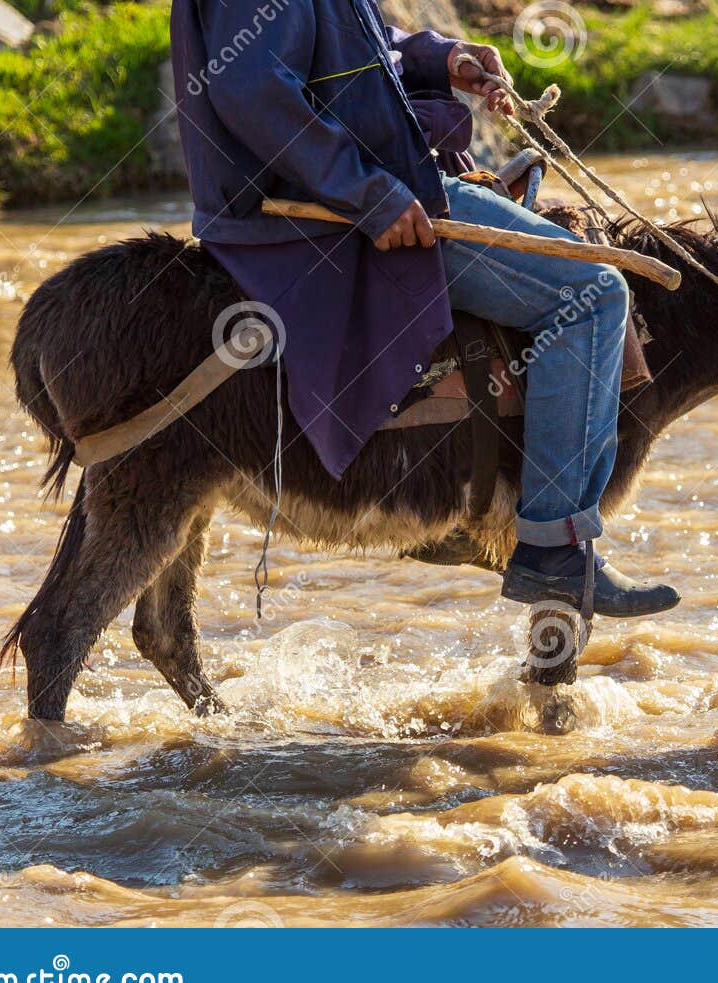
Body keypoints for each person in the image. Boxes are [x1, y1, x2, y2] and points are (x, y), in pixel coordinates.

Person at [169, 0, 678, 617]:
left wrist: (445, 59)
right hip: (330, 215)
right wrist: (371, 194)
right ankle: (553, 549)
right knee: (593, 296)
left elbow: (361, 41)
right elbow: (251, 92)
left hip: (374, 185)